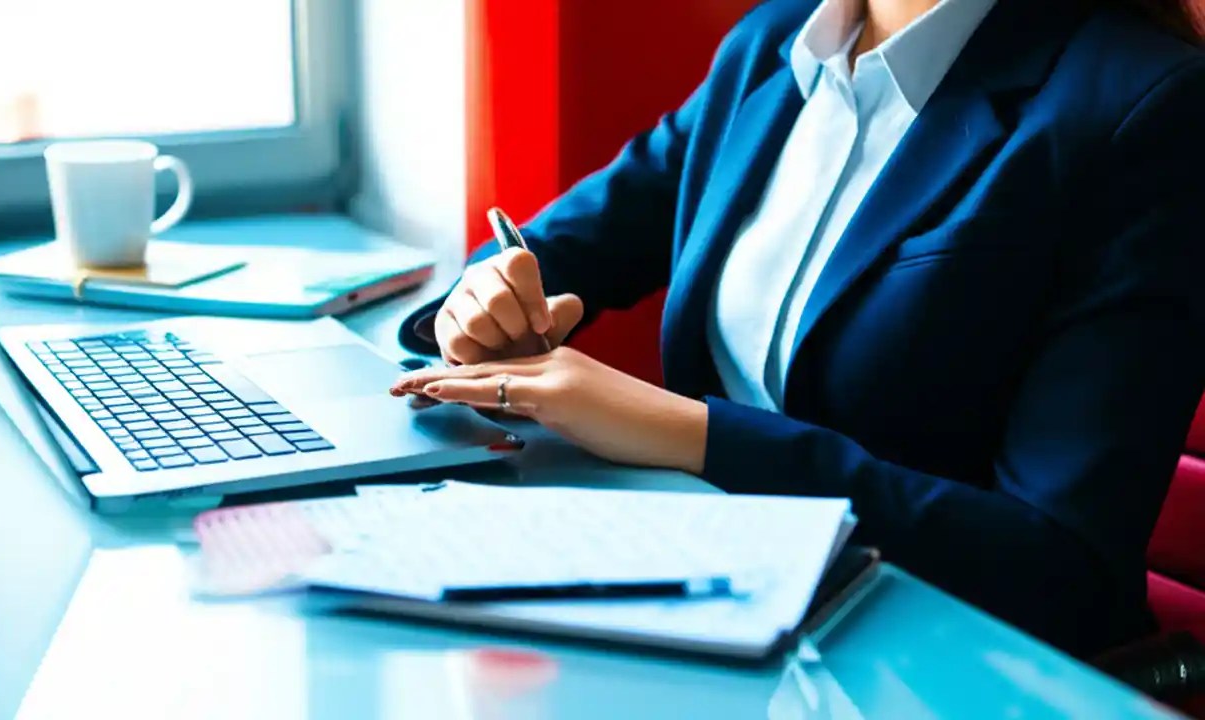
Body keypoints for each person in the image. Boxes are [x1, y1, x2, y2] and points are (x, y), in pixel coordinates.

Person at [391, 0, 1205, 655]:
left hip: (932, 652)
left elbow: (1060, 564)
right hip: (718, 599)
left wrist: (694, 434)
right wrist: (480, 305)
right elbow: (559, 245)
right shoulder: (776, 40)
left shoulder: (1146, 105)